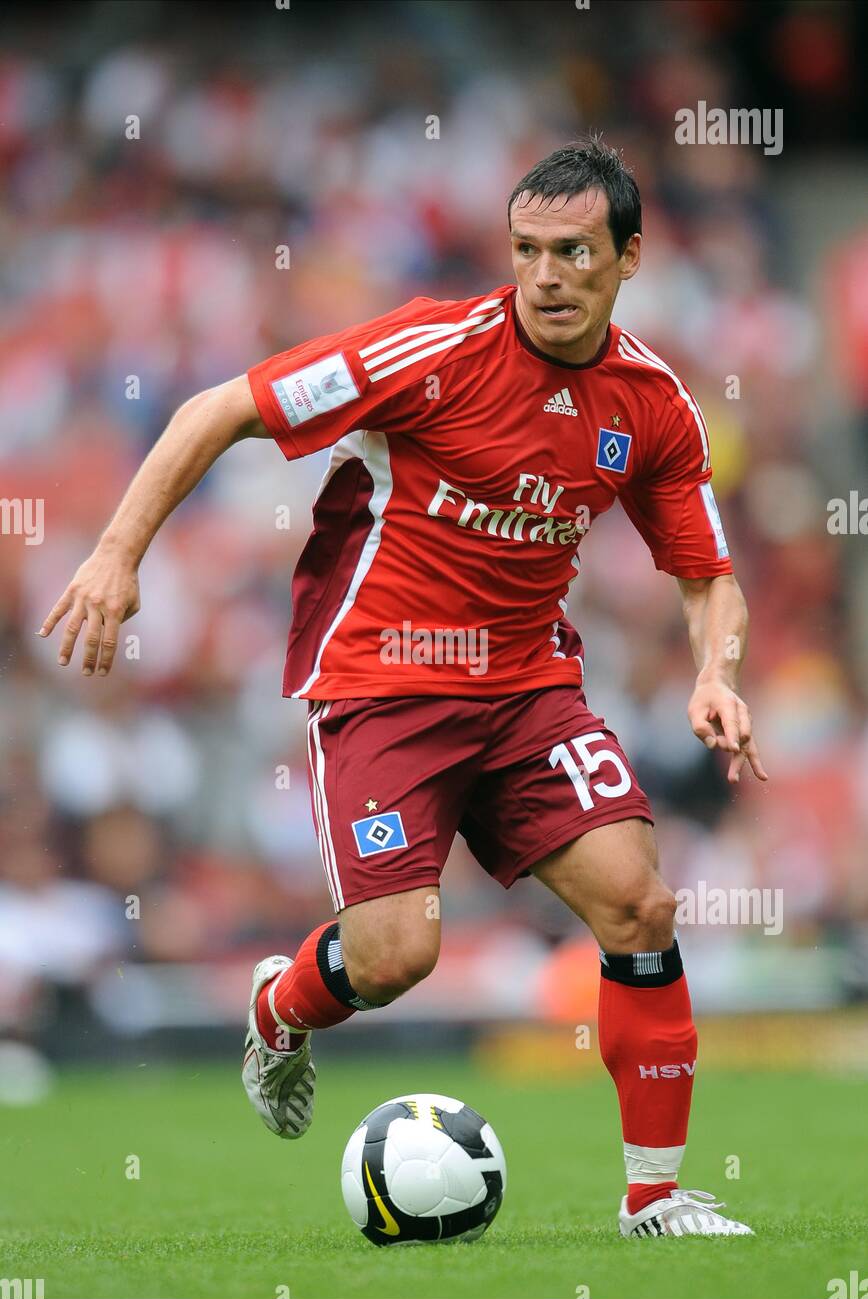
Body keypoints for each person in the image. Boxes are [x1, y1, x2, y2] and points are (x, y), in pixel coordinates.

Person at [40, 137, 766, 1238]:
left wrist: (715, 671)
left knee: (640, 903)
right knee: (394, 957)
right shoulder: (429, 350)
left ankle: (655, 1198)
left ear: (627, 257)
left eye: (574, 251)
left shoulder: (653, 403)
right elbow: (217, 409)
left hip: (528, 687)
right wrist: (115, 554)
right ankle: (282, 1006)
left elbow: (707, 576)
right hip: (386, 680)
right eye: (526, 249)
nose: (546, 275)